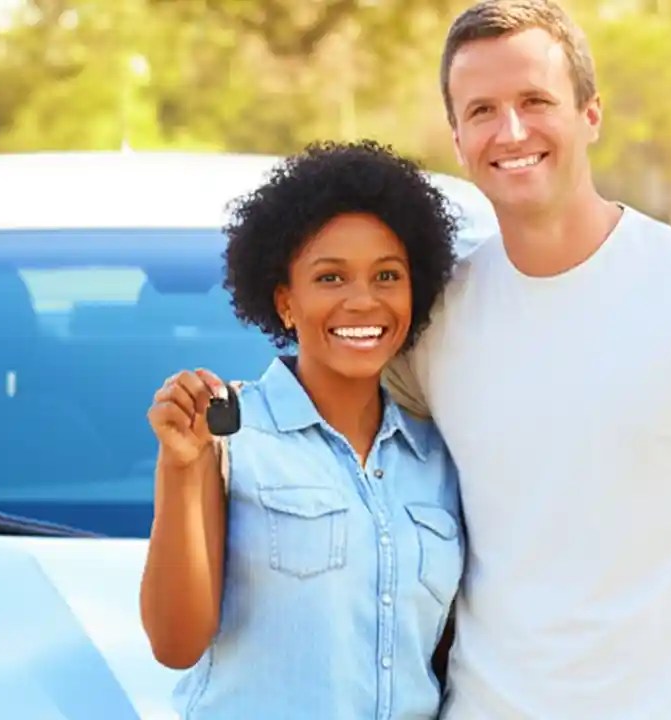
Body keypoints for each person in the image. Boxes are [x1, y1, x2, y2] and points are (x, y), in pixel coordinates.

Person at [382, 2, 671, 718]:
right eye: (482, 110)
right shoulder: (434, 317)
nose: (510, 131)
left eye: (535, 101)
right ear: (457, 139)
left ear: (590, 114)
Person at [139, 139, 463, 719]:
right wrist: (181, 467)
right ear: (286, 302)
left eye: (387, 275)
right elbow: (175, 644)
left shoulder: (438, 457)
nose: (363, 301)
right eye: (331, 278)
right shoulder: (228, 437)